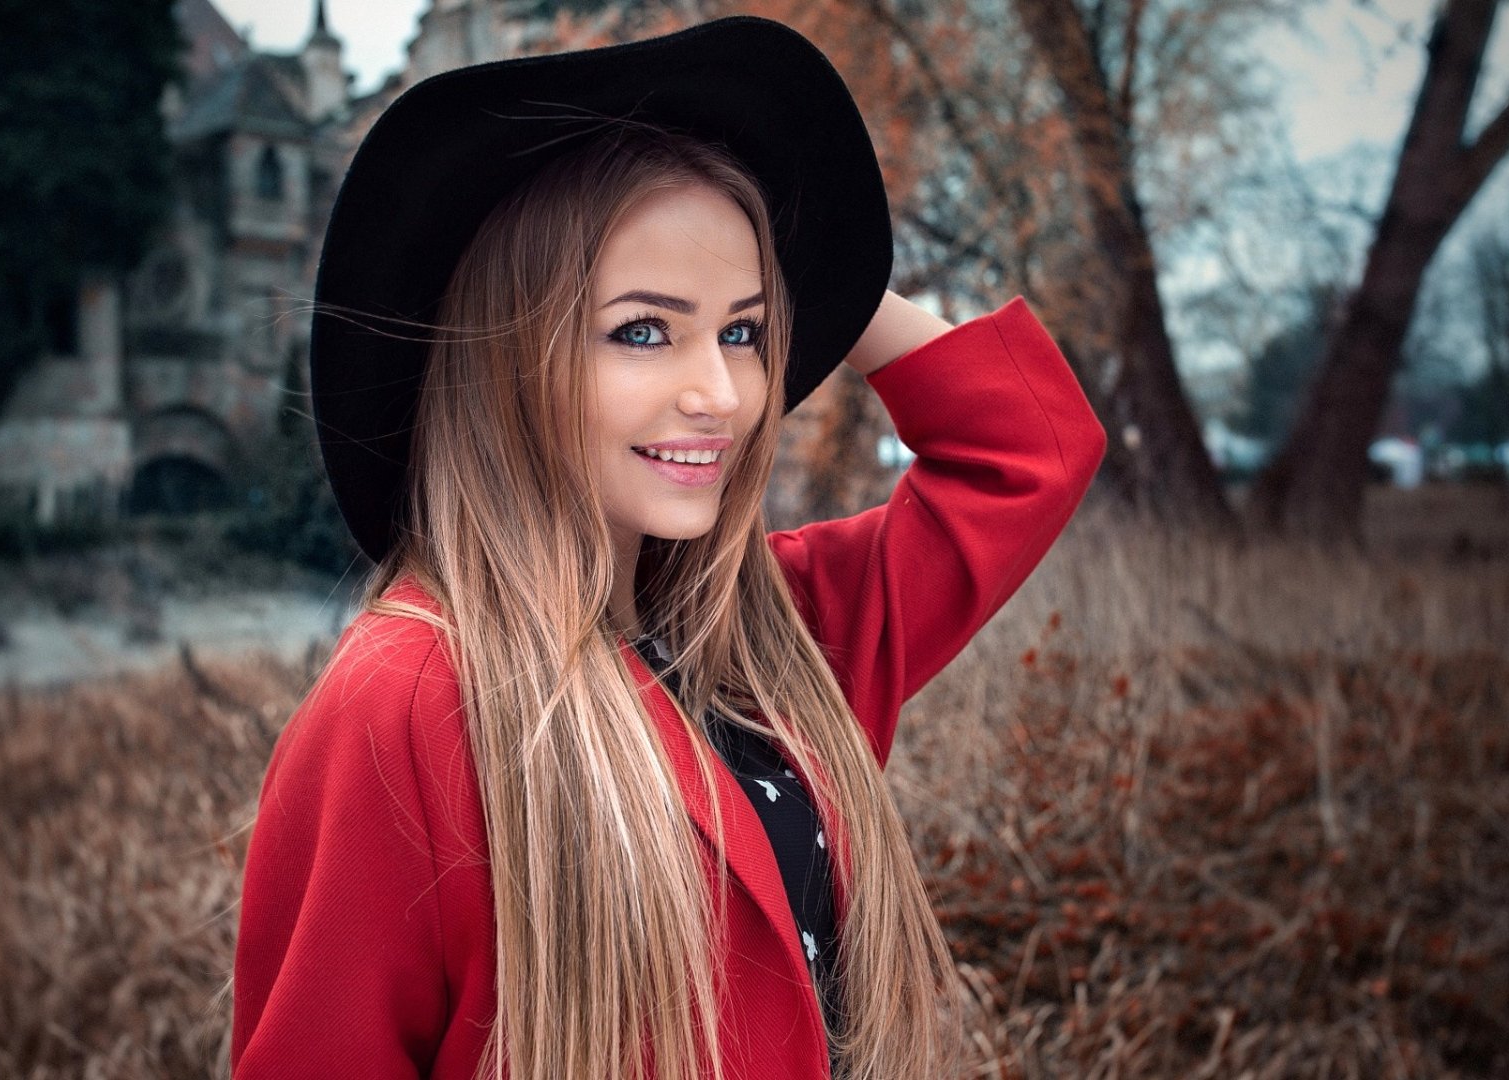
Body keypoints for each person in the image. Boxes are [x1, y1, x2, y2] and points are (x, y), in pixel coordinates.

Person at [230, 16, 1106, 1080]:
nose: (721, 394)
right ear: (507, 358)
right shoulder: (405, 702)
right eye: (644, 330)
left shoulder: (782, 638)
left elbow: (1032, 448)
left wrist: (816, 271)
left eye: (742, 332)